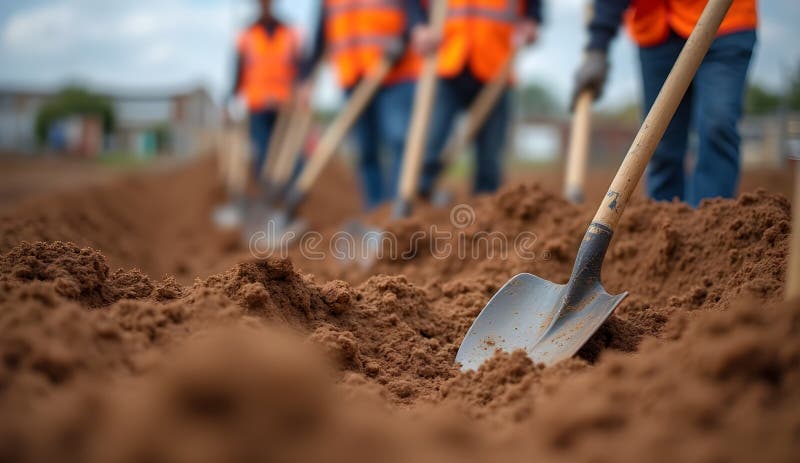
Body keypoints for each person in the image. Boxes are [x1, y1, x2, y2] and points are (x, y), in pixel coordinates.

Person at [572, 0, 757, 207]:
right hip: (656, 31)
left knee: (718, 124)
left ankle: (710, 222)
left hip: (725, 21)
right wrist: (598, 47)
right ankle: (665, 224)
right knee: (659, 141)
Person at [301, 0, 426, 210]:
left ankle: (398, 211)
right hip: (353, 73)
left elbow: (417, 13)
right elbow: (321, 33)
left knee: (399, 141)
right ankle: (376, 213)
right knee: (366, 151)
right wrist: (307, 78)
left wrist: (404, 38)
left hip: (396, 72)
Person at [414, 0, 542, 198]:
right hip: (448, 62)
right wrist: (419, 25)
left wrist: (533, 19)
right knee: (431, 144)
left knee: (490, 154)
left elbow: (533, 6)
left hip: (495, 66)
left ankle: (485, 210)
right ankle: (419, 200)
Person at [231, 0, 302, 181]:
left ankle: (285, 191)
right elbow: (237, 70)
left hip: (284, 104)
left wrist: (301, 93)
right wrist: (231, 99)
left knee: (286, 152)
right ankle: (266, 192)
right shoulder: (247, 34)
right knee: (262, 151)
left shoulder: (289, 32)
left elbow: (300, 67)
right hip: (257, 103)